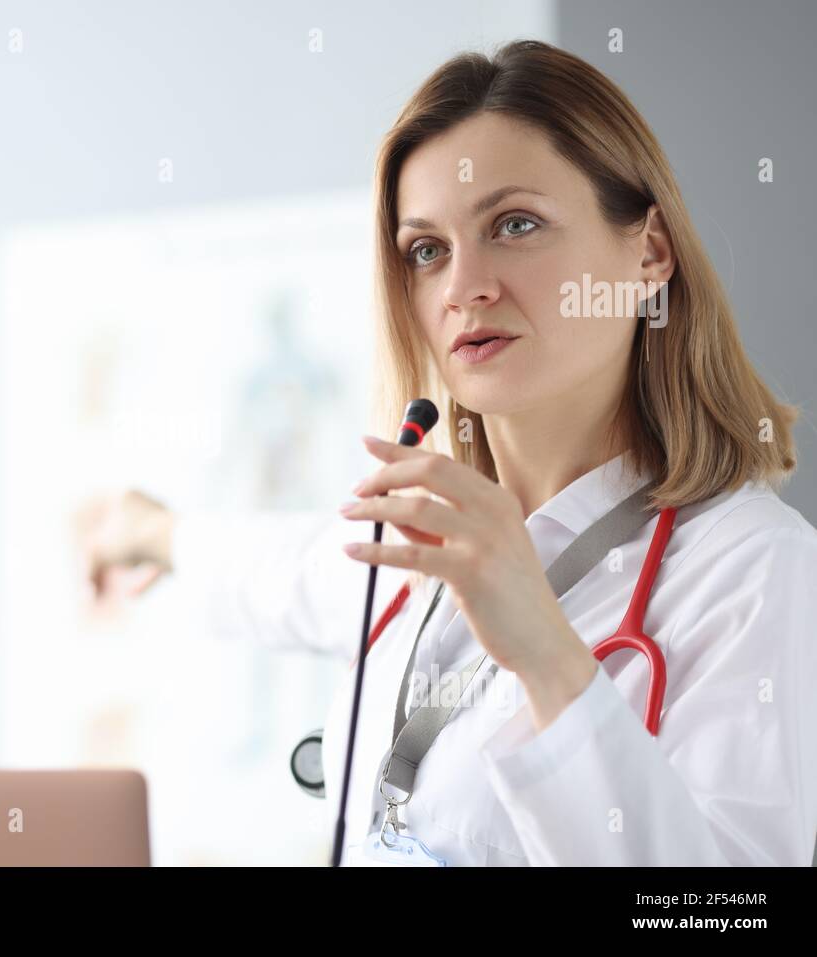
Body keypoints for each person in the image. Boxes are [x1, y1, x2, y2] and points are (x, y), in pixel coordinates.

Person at [76, 39, 817, 866]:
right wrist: (146, 530)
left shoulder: (750, 567)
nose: (465, 285)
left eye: (515, 225)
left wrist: (545, 653)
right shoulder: (419, 549)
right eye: (426, 250)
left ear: (647, 255)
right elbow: (274, 569)